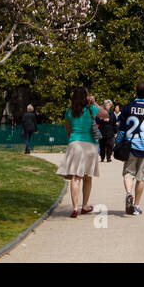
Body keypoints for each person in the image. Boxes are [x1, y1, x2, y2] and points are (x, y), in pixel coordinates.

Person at [117, 81, 144, 217]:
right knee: (141, 178)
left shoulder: (128, 107)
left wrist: (119, 142)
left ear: (135, 91)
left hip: (131, 145)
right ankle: (136, 205)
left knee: (128, 173)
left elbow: (121, 129)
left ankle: (128, 193)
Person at [56, 86, 99, 217]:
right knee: (87, 177)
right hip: (90, 145)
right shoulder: (92, 110)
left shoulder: (69, 112)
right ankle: (84, 206)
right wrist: (93, 102)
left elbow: (68, 130)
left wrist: (73, 140)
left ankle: (75, 208)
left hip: (75, 143)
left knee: (75, 177)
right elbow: (105, 114)